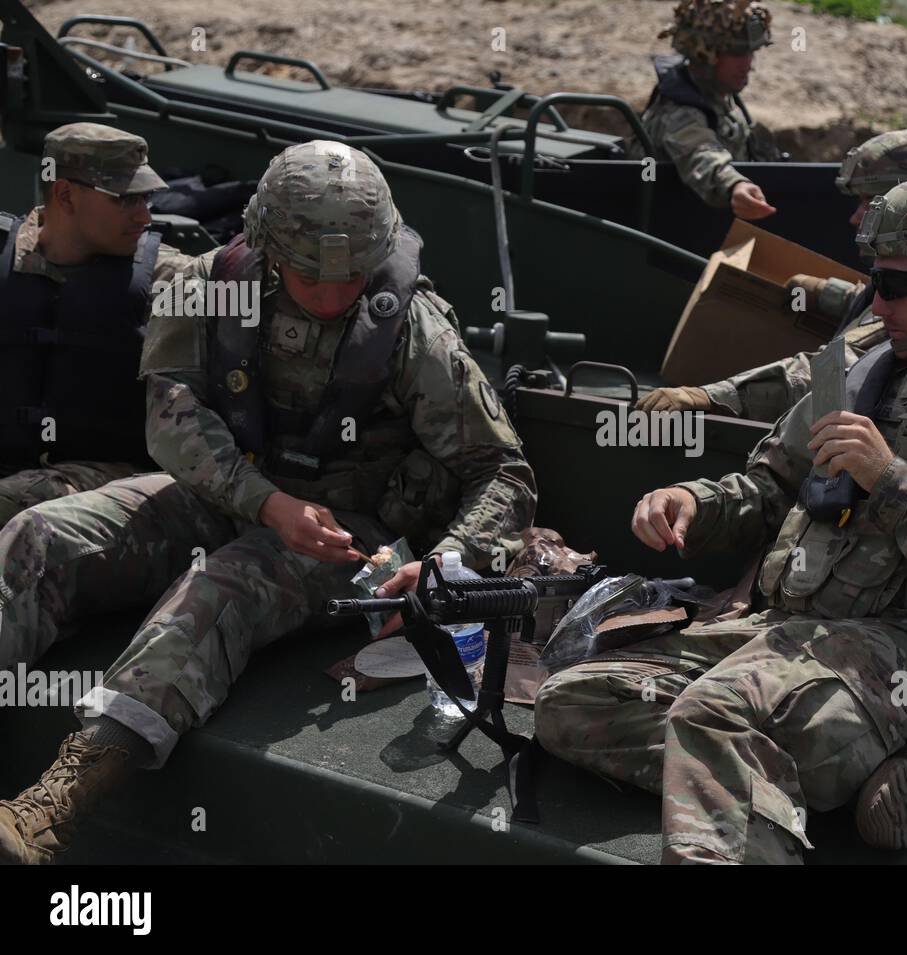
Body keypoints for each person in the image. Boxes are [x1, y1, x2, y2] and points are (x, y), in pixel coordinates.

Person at [533, 173, 907, 864]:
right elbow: (771, 484)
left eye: (896, 284)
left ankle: (831, 761)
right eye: (875, 281)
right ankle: (855, 763)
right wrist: (694, 501)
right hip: (787, 634)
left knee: (711, 713)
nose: (877, 300)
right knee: (571, 703)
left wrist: (892, 481)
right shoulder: (858, 374)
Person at [0, 140, 537, 864]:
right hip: (228, 492)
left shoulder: (411, 331)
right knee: (39, 534)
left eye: (352, 275)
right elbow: (172, 415)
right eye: (311, 275)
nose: (332, 293)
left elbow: (503, 471)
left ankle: (52, 806)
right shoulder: (209, 285)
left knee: (214, 592)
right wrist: (263, 500)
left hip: (343, 536)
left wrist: (445, 563)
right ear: (265, 245)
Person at [637, 129, 907, 422]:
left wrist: (713, 398)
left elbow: (840, 365)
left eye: (870, 203)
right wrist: (833, 293)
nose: (856, 218)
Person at [0, 123, 189, 526]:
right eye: (125, 200)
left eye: (146, 198)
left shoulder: (171, 278)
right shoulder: (4, 259)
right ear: (65, 194)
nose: (144, 216)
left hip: (110, 482)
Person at [627, 0, 783, 220]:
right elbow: (700, 153)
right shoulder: (679, 111)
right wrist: (734, 184)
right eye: (737, 53)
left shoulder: (720, 98)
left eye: (750, 52)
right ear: (706, 54)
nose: (748, 63)